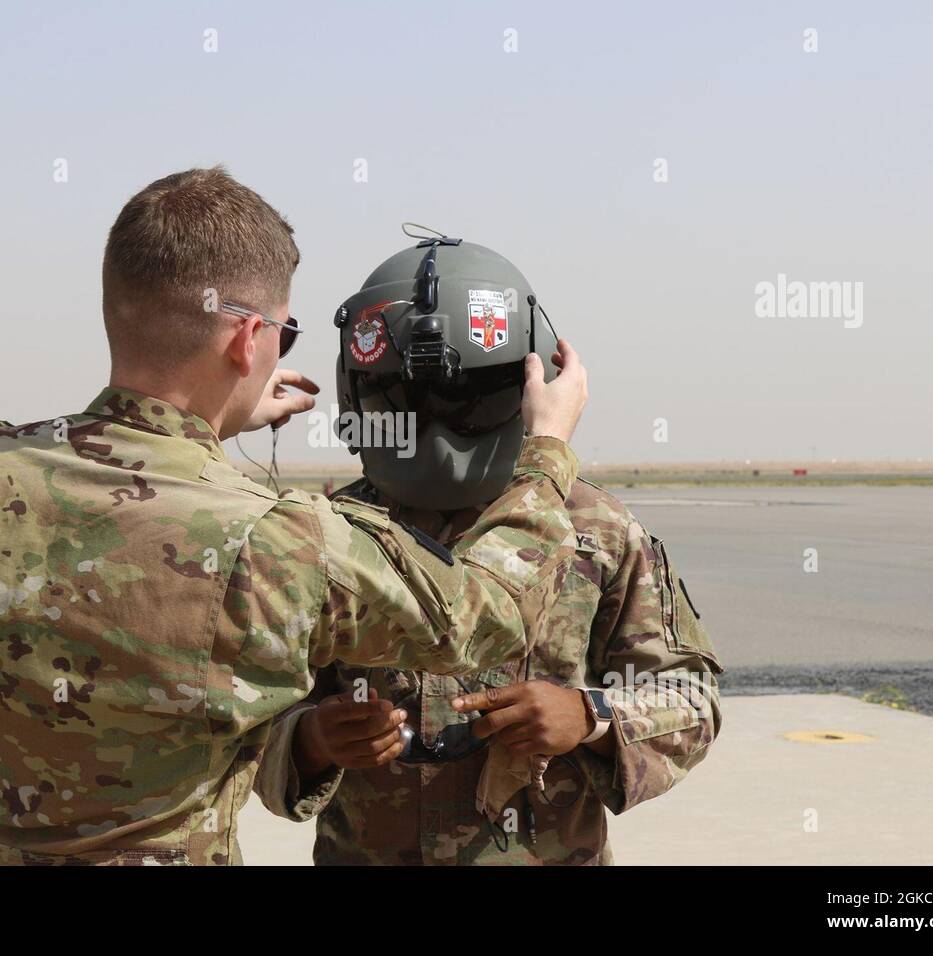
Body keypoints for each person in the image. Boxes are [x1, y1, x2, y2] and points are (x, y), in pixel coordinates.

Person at [0, 169, 590, 865]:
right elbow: (486, 615)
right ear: (247, 338)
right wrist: (549, 450)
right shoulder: (277, 540)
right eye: (281, 336)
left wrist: (213, 416)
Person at [253, 234, 723, 864]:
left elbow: (690, 698)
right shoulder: (329, 532)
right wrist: (310, 739)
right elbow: (243, 717)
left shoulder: (595, 529)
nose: (442, 427)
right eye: (408, 398)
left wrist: (591, 717)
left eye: (472, 396)